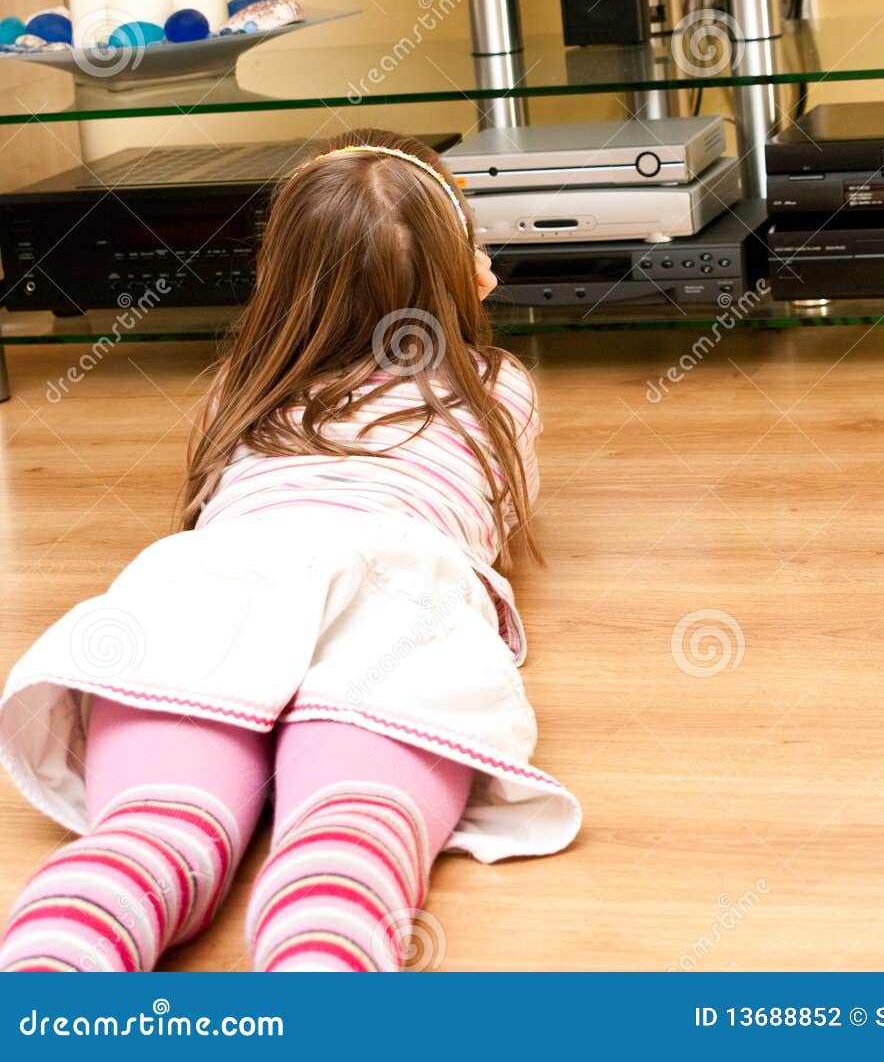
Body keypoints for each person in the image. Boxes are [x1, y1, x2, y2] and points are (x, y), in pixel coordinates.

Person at [0, 130, 578, 972]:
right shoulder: (499, 391)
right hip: (401, 592)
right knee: (353, 839)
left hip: (208, 587)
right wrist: (466, 301)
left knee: (149, 835)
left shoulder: (237, 390)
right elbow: (496, 519)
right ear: (465, 271)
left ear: (276, 279)